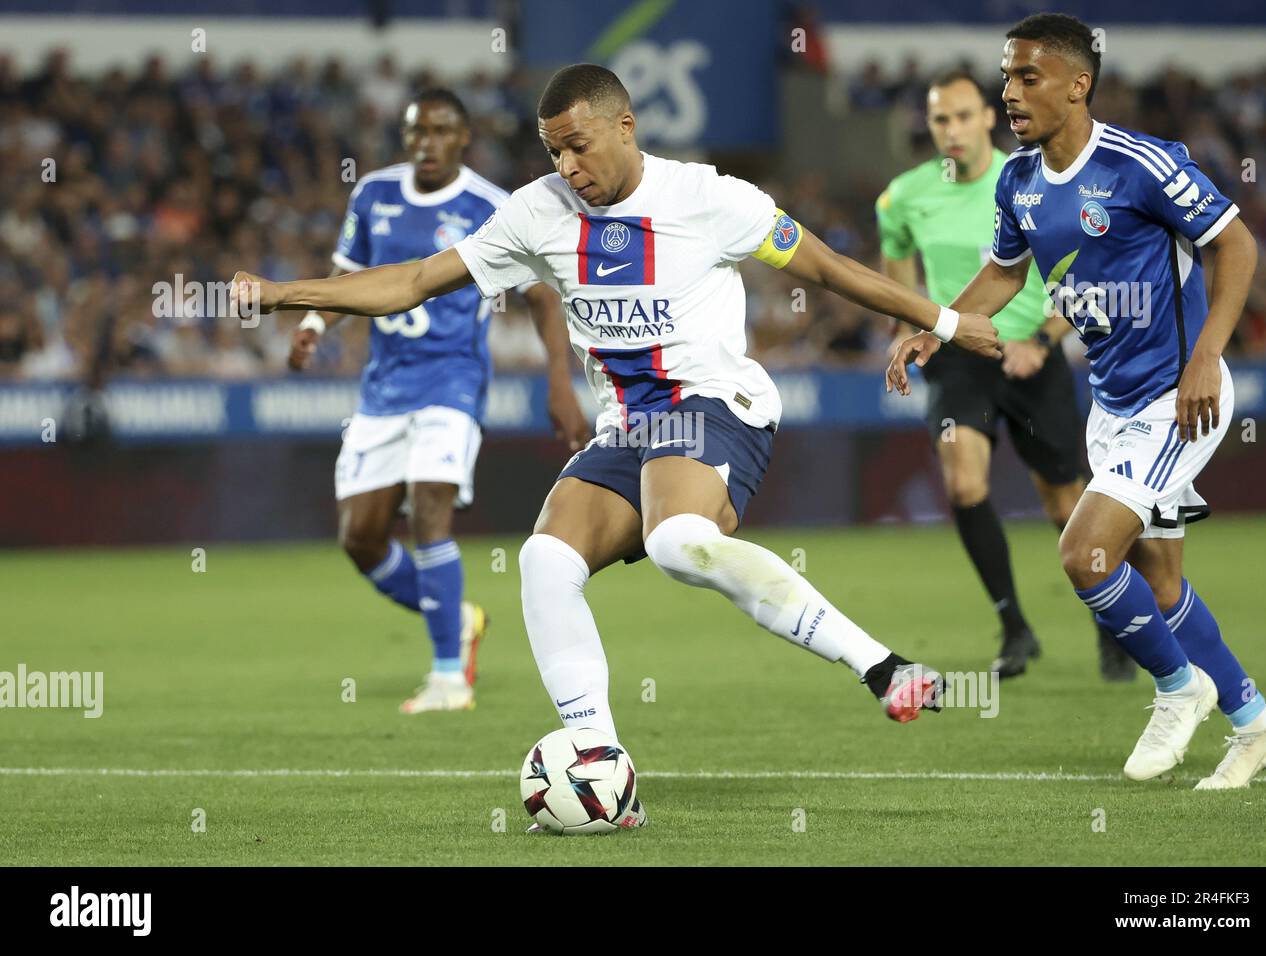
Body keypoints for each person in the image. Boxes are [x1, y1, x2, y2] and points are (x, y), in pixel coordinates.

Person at [234, 64, 1002, 828]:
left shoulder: (710, 199)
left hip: (713, 405)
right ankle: (599, 759)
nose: (568, 167)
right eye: (552, 152)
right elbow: (411, 282)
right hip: (627, 427)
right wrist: (282, 294)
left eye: (578, 146)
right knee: (544, 558)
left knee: (676, 543)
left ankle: (880, 666)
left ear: (624, 127)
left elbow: (828, 268)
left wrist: (942, 321)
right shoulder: (537, 213)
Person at [888, 13, 1266, 788]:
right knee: (1160, 579)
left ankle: (1180, 690)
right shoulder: (1019, 179)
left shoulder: (1142, 164)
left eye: (1026, 77)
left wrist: (1208, 354)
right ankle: (1257, 724)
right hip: (1111, 403)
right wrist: (934, 328)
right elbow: (1008, 272)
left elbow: (1235, 242)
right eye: (1006, 76)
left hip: (1179, 400)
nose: (1009, 92)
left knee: (1084, 553)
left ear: (1078, 86)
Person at [288, 88, 587, 714]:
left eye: (441, 131)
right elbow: (349, 282)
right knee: (360, 540)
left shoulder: (490, 205)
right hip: (382, 389)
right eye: (416, 132)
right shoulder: (372, 194)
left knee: (430, 513)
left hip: (452, 383)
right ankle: (460, 617)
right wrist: (316, 325)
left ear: (463, 137)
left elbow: (539, 295)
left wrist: (560, 381)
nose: (427, 143)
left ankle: (448, 678)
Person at [877, 67, 1132, 681]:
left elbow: (1081, 272)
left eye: (964, 116)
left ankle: (1113, 626)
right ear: (930, 128)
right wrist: (908, 325)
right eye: (941, 120)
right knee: (963, 483)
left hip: (1034, 354)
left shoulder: (1028, 181)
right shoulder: (904, 196)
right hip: (960, 357)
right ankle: (1014, 625)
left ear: (988, 118)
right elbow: (896, 268)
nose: (952, 130)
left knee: (1065, 502)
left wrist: (1044, 338)